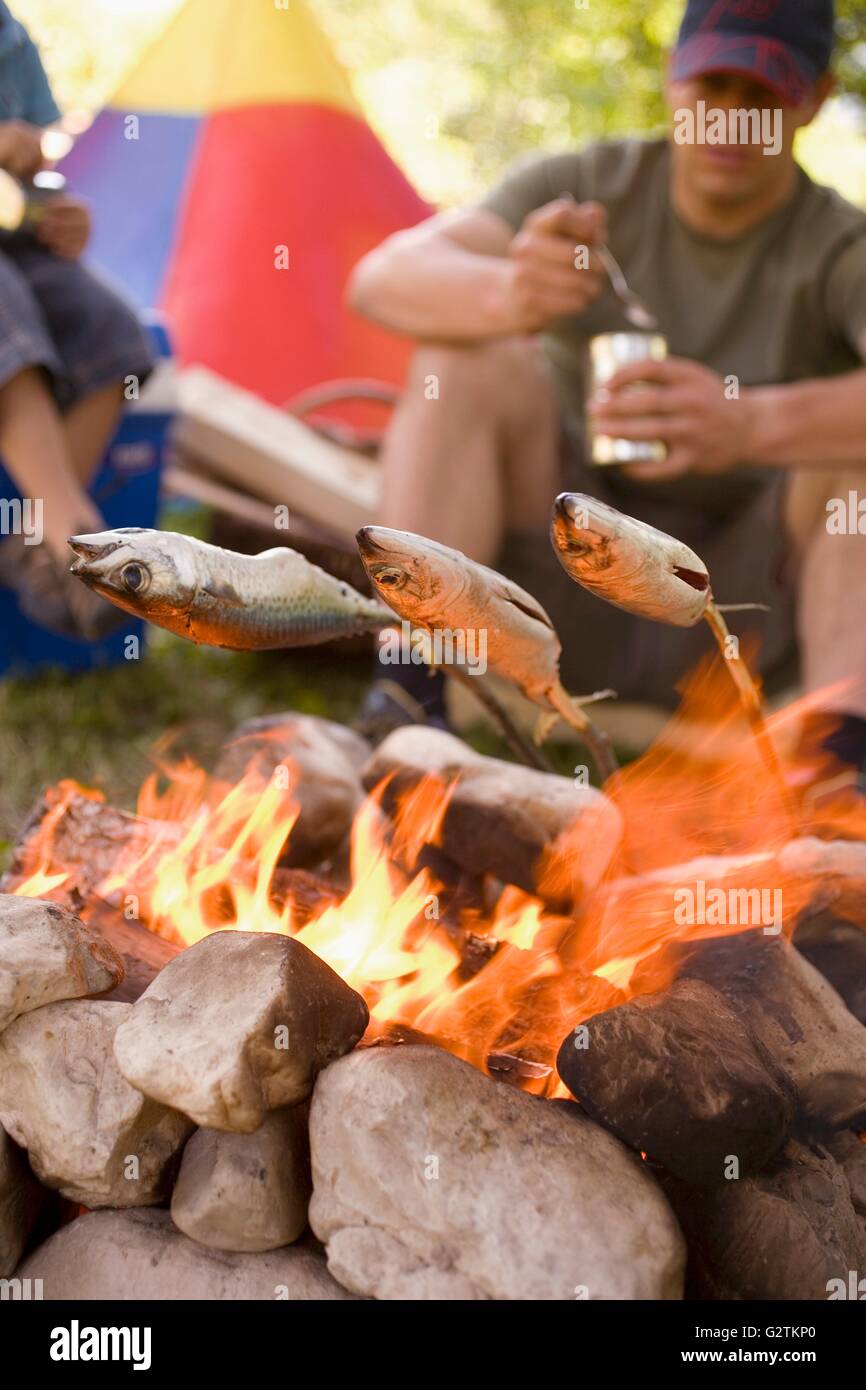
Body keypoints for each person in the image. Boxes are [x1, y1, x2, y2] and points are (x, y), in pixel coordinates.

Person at [350, 0, 866, 782]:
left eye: (762, 94)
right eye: (713, 85)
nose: (730, 119)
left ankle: (843, 767)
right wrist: (512, 295)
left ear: (816, 99)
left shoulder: (839, 245)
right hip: (557, 577)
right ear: (672, 77)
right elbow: (379, 281)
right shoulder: (587, 184)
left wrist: (750, 424)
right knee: (460, 360)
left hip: (746, 614)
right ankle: (408, 695)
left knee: (853, 462)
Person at [0, 2, 153, 639]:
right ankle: (72, 537)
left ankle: (36, 550)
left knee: (111, 330)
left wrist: (59, 210)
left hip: (16, 242)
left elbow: (41, 175)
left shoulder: (11, 37)